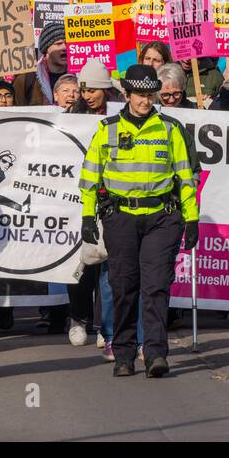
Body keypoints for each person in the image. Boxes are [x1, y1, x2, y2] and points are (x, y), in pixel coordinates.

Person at [78, 64, 198, 378]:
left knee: (156, 286)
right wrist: (87, 216)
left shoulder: (170, 129)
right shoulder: (107, 129)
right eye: (139, 95)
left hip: (162, 217)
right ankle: (124, 354)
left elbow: (186, 178)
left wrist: (192, 219)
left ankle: (156, 353)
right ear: (127, 95)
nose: (146, 101)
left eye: (150, 95)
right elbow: (90, 177)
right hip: (121, 218)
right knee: (123, 286)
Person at [14, 23, 68, 106]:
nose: (64, 47)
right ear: (46, 48)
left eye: (67, 43)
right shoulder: (27, 79)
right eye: (58, 44)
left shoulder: (79, 76)